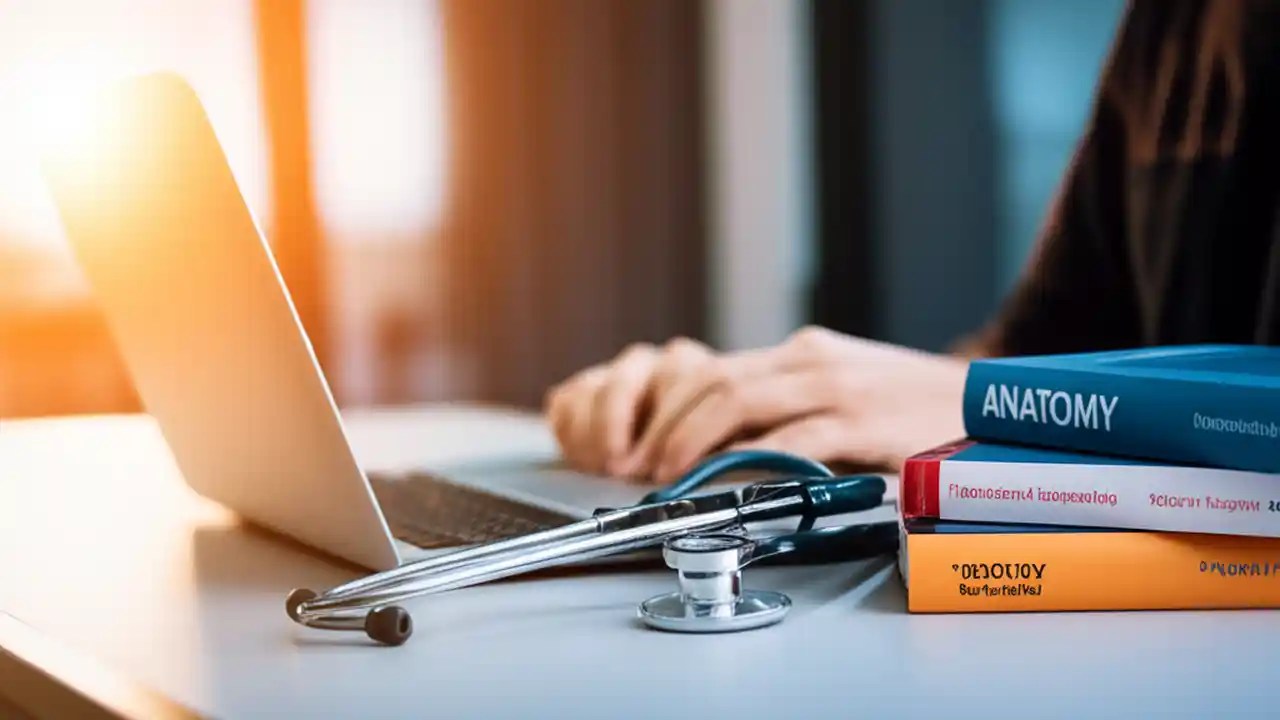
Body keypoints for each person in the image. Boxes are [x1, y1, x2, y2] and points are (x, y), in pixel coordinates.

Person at [545, 0, 1280, 484]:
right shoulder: (1173, 23)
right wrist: (755, 401)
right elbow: (1029, 358)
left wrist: (994, 406)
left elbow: (1001, 395)